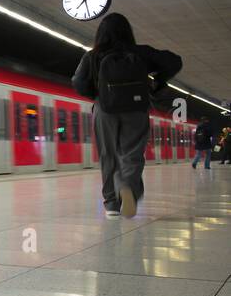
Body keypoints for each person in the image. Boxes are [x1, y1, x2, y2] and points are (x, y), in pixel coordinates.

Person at [71, 13, 182, 218]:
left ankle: (111, 205)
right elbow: (174, 61)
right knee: (131, 153)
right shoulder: (141, 53)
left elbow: (78, 82)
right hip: (136, 109)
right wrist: (159, 81)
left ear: (101, 33)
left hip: (105, 110)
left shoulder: (93, 55)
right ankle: (127, 185)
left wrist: (97, 95)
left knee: (108, 155)